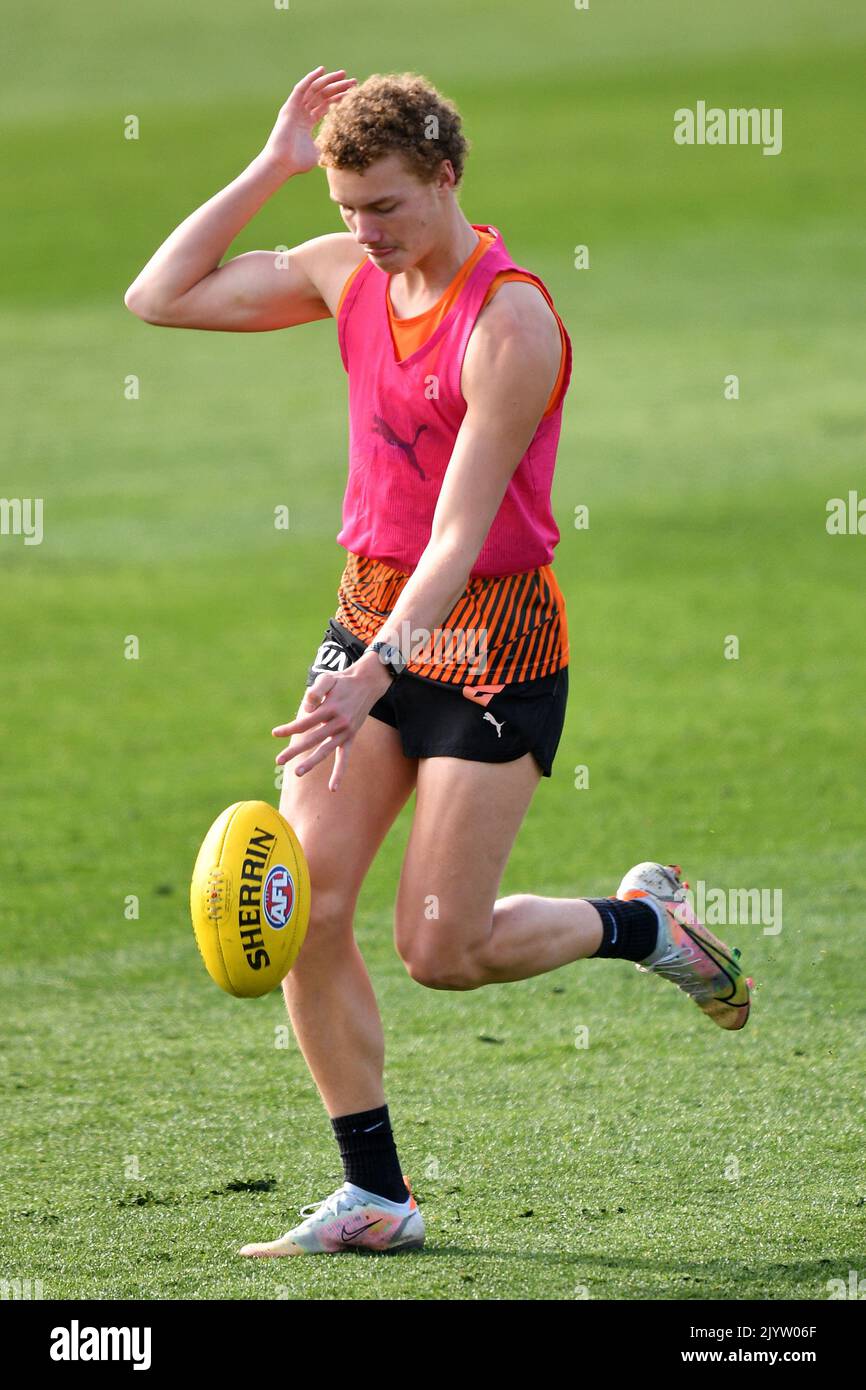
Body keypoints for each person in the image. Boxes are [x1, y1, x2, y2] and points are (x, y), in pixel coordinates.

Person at [125, 66, 752, 1259]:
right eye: (345, 206)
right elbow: (157, 296)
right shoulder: (343, 269)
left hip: (489, 645)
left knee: (441, 949)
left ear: (447, 178)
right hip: (367, 618)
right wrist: (269, 168)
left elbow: (459, 541)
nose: (363, 234)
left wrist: (372, 672)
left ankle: (641, 925)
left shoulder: (507, 322)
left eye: (386, 209)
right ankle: (375, 1194)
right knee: (307, 901)